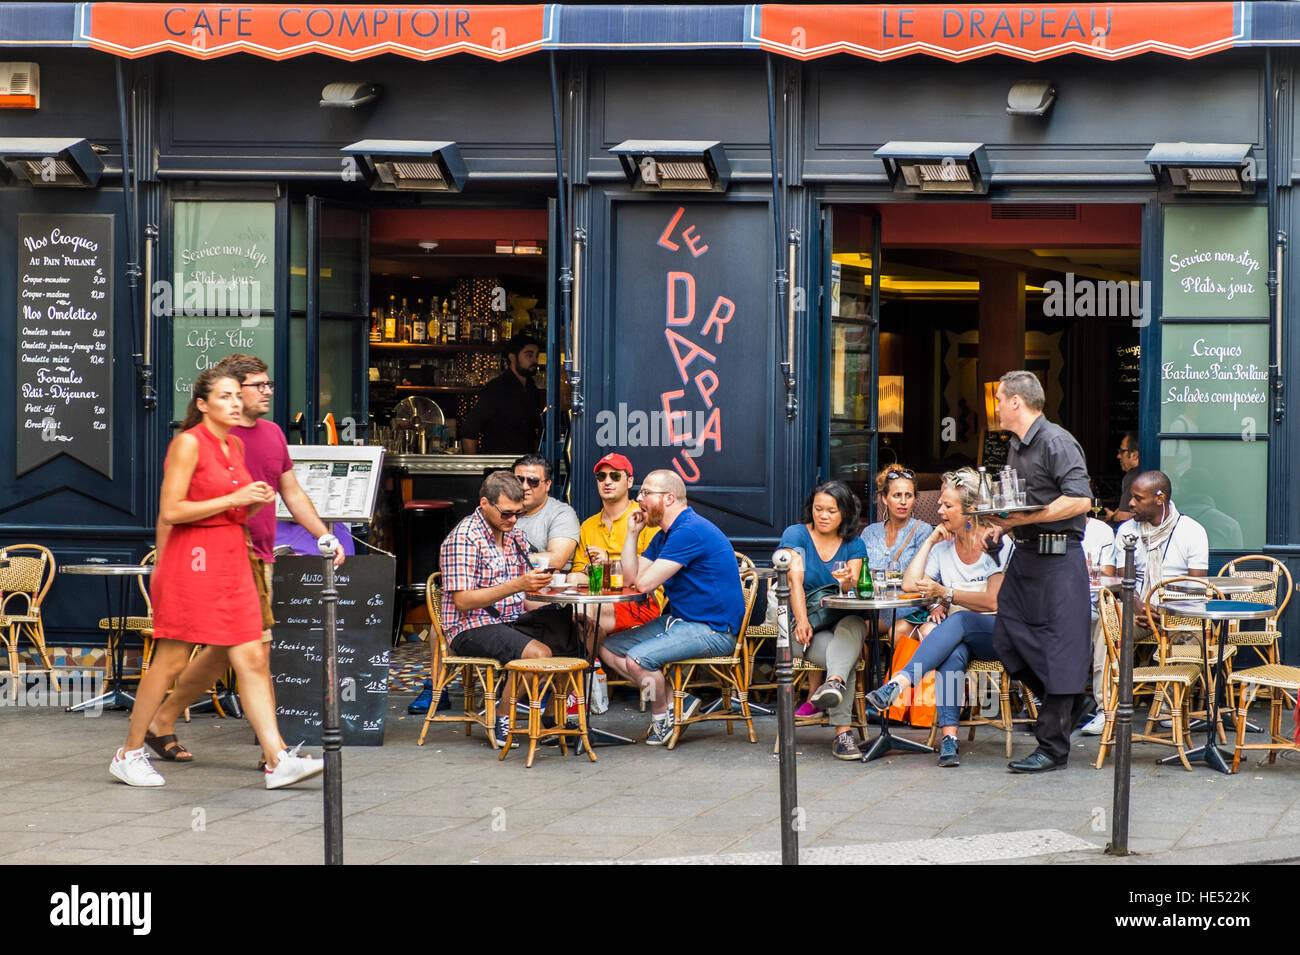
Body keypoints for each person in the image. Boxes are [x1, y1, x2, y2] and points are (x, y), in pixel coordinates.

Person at [109, 369, 324, 789]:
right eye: (224, 396)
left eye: (235, 396)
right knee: (170, 659)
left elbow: (232, 508)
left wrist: (250, 502)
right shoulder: (188, 443)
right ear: (203, 404)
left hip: (234, 559)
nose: (234, 402)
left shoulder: (235, 445)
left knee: (253, 658)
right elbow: (172, 510)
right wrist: (236, 498)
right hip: (194, 562)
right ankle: (129, 751)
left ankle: (277, 759)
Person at [982, 370, 1094, 774]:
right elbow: (1018, 505)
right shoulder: (1014, 446)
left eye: (998, 399)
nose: (994, 406)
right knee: (1006, 638)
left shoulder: (1056, 441)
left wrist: (1032, 517)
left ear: (1016, 401)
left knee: (1059, 653)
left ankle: (1053, 748)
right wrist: (1001, 526)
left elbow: (1081, 500)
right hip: (1026, 559)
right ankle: (1076, 704)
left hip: (1060, 560)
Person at [864, 468, 1012, 767]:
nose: (939, 510)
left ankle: (899, 683)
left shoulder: (995, 542)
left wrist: (946, 593)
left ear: (969, 509)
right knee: (951, 653)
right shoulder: (943, 547)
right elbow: (909, 584)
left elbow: (993, 600)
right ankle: (949, 740)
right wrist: (931, 540)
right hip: (963, 635)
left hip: (1001, 634)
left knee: (958, 620)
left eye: (947, 506)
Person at [599, 470, 746, 745]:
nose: (638, 499)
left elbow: (643, 586)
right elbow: (631, 578)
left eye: (645, 493)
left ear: (668, 498)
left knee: (638, 659)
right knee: (608, 648)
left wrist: (638, 574)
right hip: (682, 621)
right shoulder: (666, 534)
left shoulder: (688, 530)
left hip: (714, 630)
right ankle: (675, 701)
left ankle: (661, 719)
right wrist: (632, 534)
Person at [439, 470, 578, 748]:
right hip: (470, 626)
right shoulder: (465, 538)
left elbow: (529, 580)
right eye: (506, 513)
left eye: (518, 513)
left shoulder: (513, 534)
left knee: (571, 632)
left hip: (511, 618)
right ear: (485, 504)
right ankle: (503, 714)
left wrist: (551, 584)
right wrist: (518, 584)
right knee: (539, 653)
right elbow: (463, 601)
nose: (513, 520)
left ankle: (549, 717)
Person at [779, 481, 868, 760]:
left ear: (844, 513)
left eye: (831, 510)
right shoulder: (797, 534)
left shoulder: (854, 543)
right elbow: (795, 577)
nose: (823, 515)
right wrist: (802, 620)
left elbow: (851, 589)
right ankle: (843, 735)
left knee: (855, 625)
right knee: (847, 658)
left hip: (841, 622)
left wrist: (848, 583)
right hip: (802, 629)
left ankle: (832, 683)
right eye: (818, 509)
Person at [568, 452, 663, 641]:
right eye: (601, 477)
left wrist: (610, 564)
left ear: (629, 481)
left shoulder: (644, 518)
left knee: (584, 612)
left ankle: (591, 660)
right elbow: (578, 572)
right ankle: (595, 659)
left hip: (640, 601)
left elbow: (652, 574)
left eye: (615, 476)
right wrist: (591, 569)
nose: (607, 481)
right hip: (600, 596)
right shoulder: (588, 525)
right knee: (572, 582)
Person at [1102, 470, 1209, 627]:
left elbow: (1196, 589)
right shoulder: (1127, 531)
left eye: (1138, 499)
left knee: (1195, 637)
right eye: (1132, 497)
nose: (1131, 503)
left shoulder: (1192, 531)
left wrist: (1167, 613)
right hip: (1137, 611)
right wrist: (1138, 607)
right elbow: (1125, 583)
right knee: (1107, 625)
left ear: (1160, 499)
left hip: (1181, 611)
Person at [858, 464, 933, 644]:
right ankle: (865, 672)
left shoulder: (922, 531)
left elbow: (923, 578)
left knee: (857, 631)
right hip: (871, 605)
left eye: (909, 495)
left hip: (906, 608)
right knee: (850, 631)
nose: (903, 501)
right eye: (897, 495)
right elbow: (861, 573)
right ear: (884, 499)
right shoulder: (870, 532)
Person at [459, 334, 543, 454]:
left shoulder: (532, 389)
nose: (535, 360)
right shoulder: (496, 388)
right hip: (498, 465)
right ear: (512, 357)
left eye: (536, 355)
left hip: (526, 466)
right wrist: (474, 468)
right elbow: (469, 432)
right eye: (529, 355)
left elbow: (533, 433)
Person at [1080, 515, 1117, 735]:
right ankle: (1044, 699)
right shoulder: (1052, 527)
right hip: (1057, 604)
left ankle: (1104, 709)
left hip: (1093, 604)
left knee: (1106, 622)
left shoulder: (1101, 530)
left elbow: (1109, 575)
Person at [513, 453, 580, 572]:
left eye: (533, 481)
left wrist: (509, 558)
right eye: (519, 480)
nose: (524, 486)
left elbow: (557, 559)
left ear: (547, 485)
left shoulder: (561, 513)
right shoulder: (502, 511)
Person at [1099, 432, 1139, 525]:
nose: (1118, 456)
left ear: (1134, 455)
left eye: (1122, 451)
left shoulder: (1133, 476)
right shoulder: (1147, 473)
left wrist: (1112, 516)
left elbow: (1125, 516)